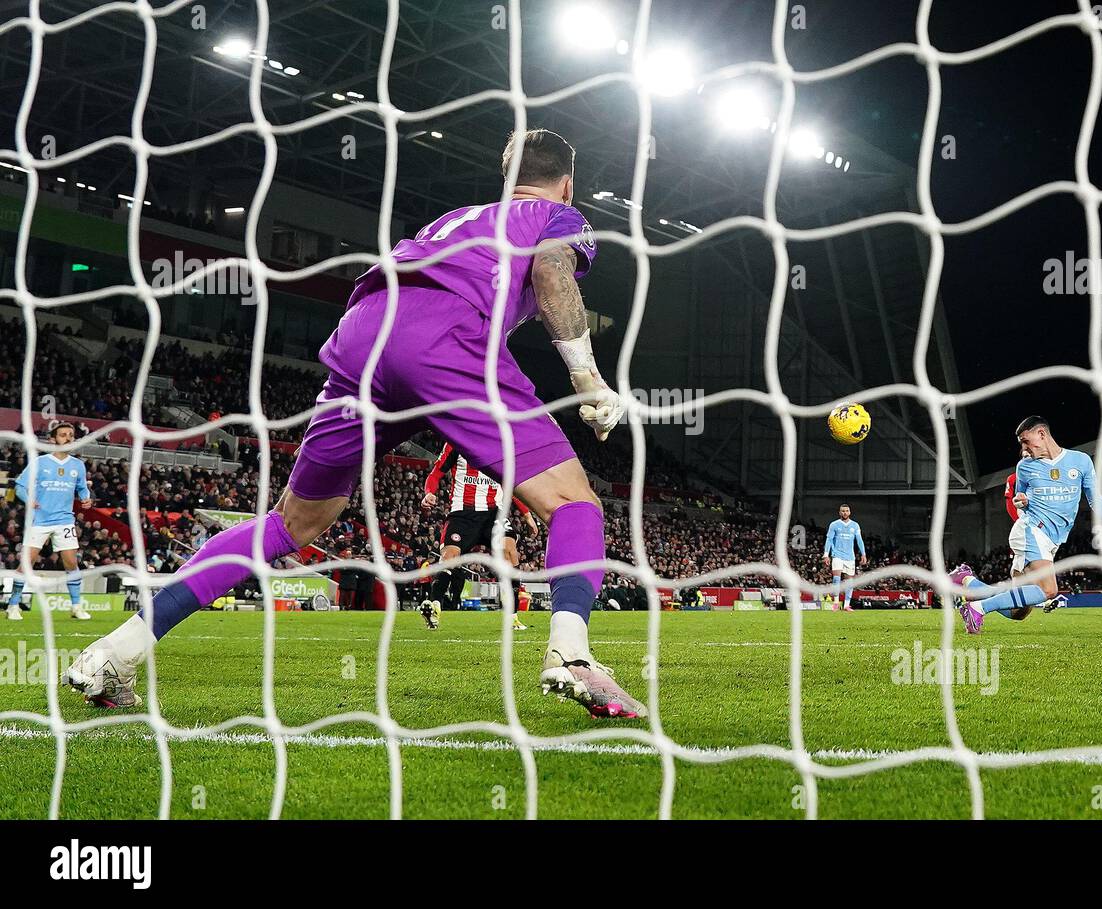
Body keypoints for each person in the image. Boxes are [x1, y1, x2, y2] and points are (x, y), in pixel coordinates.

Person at [66, 129, 646, 718]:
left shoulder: (458, 217)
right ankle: (570, 654)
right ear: (568, 184)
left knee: (294, 522)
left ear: (505, 177)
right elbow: (553, 271)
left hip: (364, 333)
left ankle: (115, 652)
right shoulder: (557, 216)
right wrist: (587, 379)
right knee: (574, 503)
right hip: (443, 335)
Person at [948, 416, 1102, 634]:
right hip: (1031, 530)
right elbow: (1019, 499)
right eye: (1021, 444)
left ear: (1041, 434)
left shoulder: (1081, 461)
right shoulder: (1025, 467)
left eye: (1025, 441)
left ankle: (966, 579)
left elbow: (1095, 498)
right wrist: (1022, 502)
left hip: (1051, 539)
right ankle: (976, 609)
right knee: (1049, 590)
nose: (1024, 448)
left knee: (1017, 612)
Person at [419, 441, 537, 631]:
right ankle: (434, 608)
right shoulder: (456, 442)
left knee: (509, 552)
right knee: (449, 557)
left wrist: (527, 514)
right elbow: (436, 472)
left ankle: (512, 618)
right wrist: (429, 493)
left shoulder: (504, 446)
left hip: (493, 514)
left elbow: (511, 486)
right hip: (462, 514)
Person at [6, 423, 93, 622]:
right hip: (39, 520)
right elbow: (19, 486)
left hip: (65, 520)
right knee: (26, 564)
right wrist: (29, 501)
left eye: (71, 435)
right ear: (53, 439)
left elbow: (82, 489)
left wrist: (86, 498)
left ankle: (76, 606)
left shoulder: (78, 465)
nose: (68, 438)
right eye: (63, 435)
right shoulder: (40, 462)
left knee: (71, 563)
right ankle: (13, 605)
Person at [821, 503, 865, 610]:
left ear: (849, 512)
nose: (845, 513)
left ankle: (846, 605)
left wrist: (863, 553)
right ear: (839, 512)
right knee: (836, 578)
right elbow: (829, 539)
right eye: (843, 511)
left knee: (849, 582)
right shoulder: (834, 525)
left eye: (846, 511)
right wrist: (826, 555)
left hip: (850, 557)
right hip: (837, 555)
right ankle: (836, 603)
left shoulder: (855, 525)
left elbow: (859, 540)